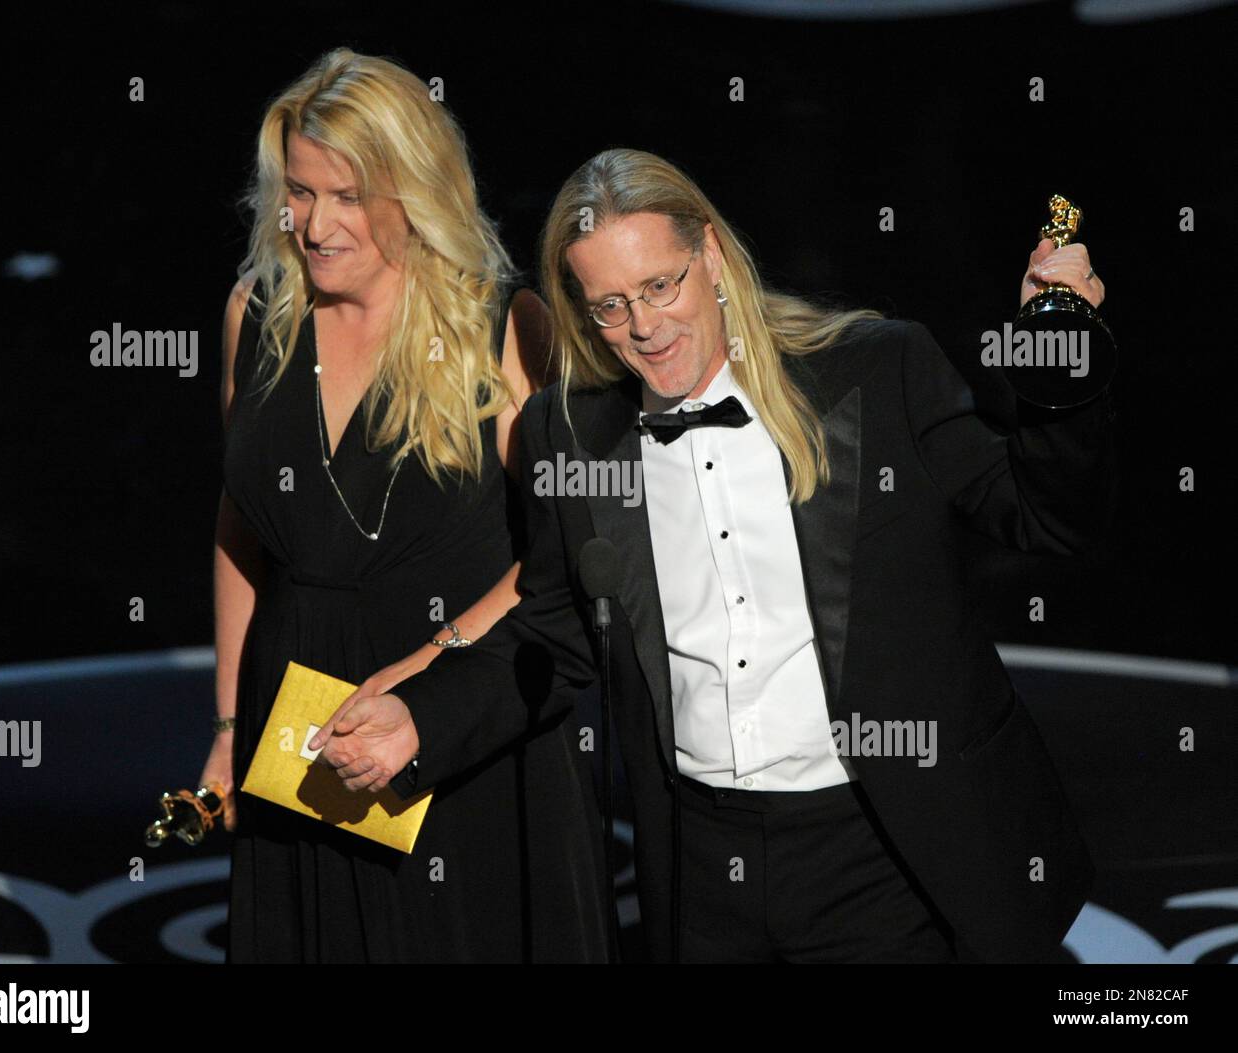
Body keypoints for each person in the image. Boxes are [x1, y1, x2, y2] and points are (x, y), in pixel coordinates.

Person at [310, 148, 1116, 963]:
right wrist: (424, 717)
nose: (646, 327)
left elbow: (1045, 518)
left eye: (662, 285)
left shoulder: (876, 370)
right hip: (701, 870)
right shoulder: (573, 431)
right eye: (611, 306)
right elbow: (554, 632)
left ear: (714, 256)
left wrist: (1059, 367)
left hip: (888, 850)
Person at [200, 49, 610, 963]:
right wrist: (230, 727)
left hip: (460, 719)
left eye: (346, 195)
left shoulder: (501, 325)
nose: (314, 223)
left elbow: (560, 553)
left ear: (412, 191)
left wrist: (428, 666)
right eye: (299, 194)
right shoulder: (256, 314)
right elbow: (240, 532)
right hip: (298, 722)